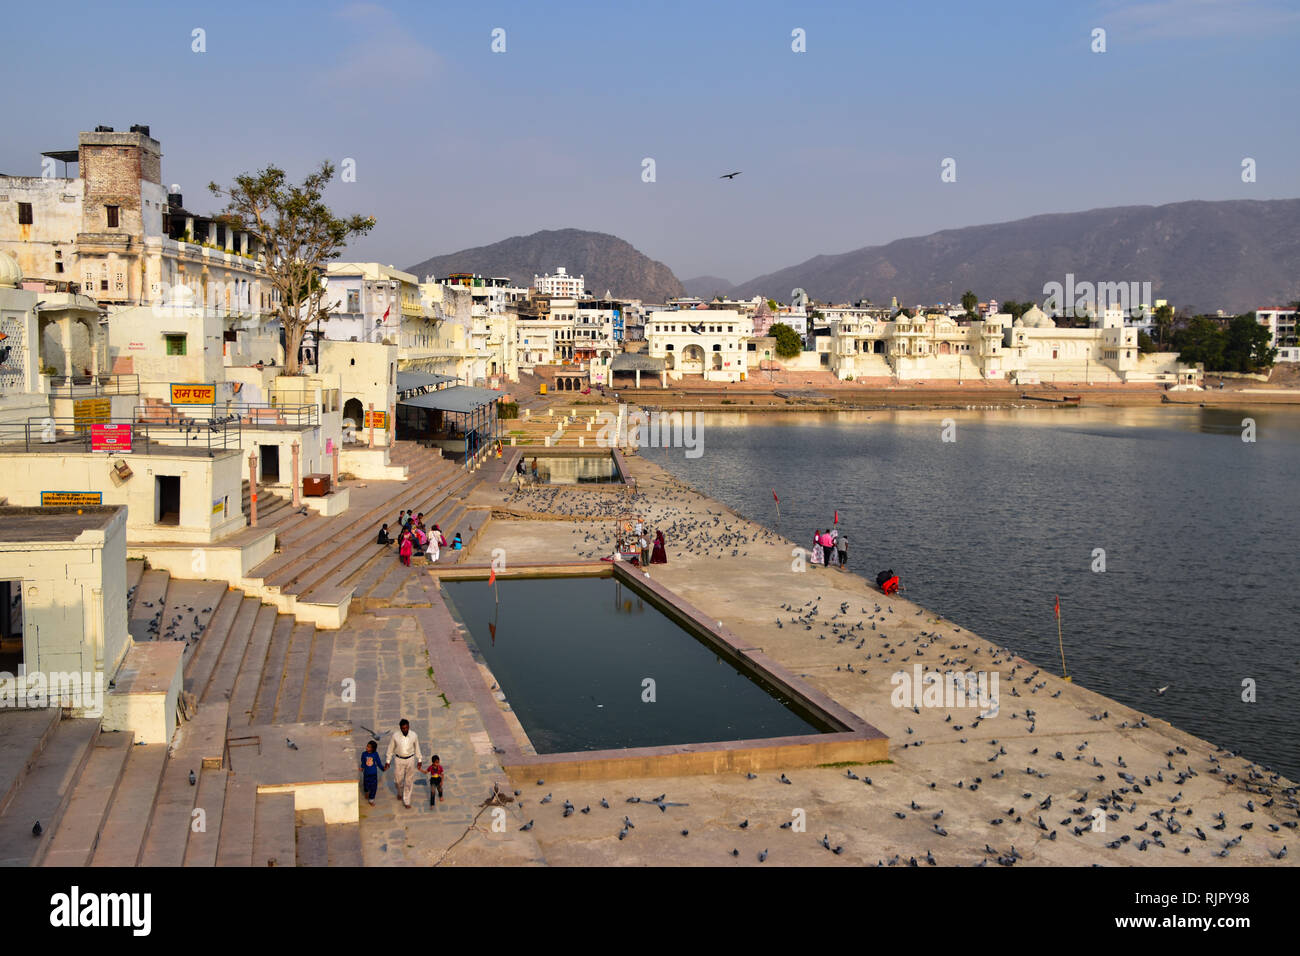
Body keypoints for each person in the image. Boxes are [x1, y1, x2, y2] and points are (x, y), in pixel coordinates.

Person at [384, 719, 423, 809]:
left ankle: (406, 800)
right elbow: (390, 749)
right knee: (398, 780)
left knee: (409, 781)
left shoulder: (414, 735)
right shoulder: (395, 736)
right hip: (399, 759)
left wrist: (419, 760)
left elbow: (417, 747)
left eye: (406, 728)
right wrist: (388, 761)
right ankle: (399, 791)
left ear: (409, 726)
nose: (405, 730)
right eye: (403, 728)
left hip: (410, 759)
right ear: (400, 728)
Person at [359, 739, 387, 807]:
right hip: (366, 774)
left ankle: (371, 800)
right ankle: (366, 792)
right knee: (366, 785)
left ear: (373, 749)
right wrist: (362, 767)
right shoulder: (364, 754)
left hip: (373, 774)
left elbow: (378, 762)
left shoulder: (375, 754)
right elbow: (363, 762)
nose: (367, 748)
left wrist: (383, 768)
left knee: (373, 788)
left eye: (369, 747)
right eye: (367, 746)